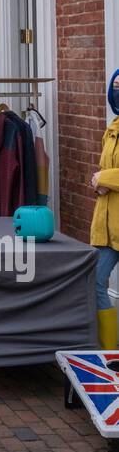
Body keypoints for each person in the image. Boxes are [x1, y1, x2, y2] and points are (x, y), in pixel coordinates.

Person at [91, 68, 119, 348]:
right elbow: (104, 169)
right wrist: (97, 181)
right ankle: (110, 352)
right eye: (116, 86)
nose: (118, 91)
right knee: (96, 281)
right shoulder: (111, 129)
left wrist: (105, 178)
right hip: (108, 224)